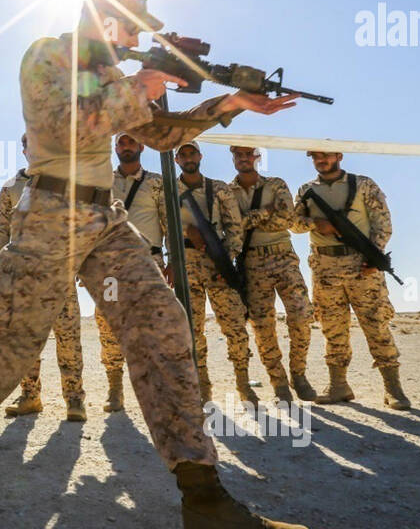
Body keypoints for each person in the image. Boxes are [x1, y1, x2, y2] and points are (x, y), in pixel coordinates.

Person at [0, 0, 319, 529]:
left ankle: (205, 504)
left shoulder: (117, 78)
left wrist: (228, 104)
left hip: (104, 220)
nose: (135, 38)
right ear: (103, 22)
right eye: (131, 27)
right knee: (9, 357)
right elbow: (61, 129)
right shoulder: (45, 55)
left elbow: (161, 134)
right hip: (49, 215)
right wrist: (141, 83)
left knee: (163, 326)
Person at [295, 150, 410, 409]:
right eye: (315, 157)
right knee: (332, 328)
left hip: (362, 266)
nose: (320, 160)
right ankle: (338, 386)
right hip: (324, 268)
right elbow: (293, 224)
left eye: (325, 155)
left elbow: (383, 223)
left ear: (339, 156)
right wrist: (316, 223)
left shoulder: (363, 184)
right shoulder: (305, 190)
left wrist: (375, 256)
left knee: (376, 325)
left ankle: (394, 389)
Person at [174, 141, 276, 405]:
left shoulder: (218, 189)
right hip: (186, 265)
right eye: (182, 154)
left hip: (218, 262)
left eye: (191, 153)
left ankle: (243, 383)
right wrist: (187, 234)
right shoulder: (168, 190)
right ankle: (202, 388)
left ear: (200, 156)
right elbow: (166, 226)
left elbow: (234, 229)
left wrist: (226, 261)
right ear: (176, 160)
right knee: (191, 330)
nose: (188, 158)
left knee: (235, 327)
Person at [0, 134, 86, 421]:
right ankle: (30, 396)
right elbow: (1, 228)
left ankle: (74, 400)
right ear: (23, 150)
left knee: (68, 337)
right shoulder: (11, 187)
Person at [228, 145, 315, 401]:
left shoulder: (276, 184)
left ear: (257, 157)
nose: (244, 159)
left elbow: (286, 219)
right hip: (252, 262)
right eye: (238, 155)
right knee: (263, 325)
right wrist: (265, 213)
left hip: (284, 258)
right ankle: (279, 383)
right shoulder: (227, 192)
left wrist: (250, 218)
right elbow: (232, 226)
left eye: (248, 154)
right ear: (233, 158)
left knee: (301, 315)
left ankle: (298, 374)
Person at [92, 131, 169, 413]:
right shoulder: (103, 182)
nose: (125, 146)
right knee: (109, 326)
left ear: (142, 145)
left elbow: (168, 222)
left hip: (149, 264)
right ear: (115, 148)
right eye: (121, 142)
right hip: (110, 265)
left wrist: (172, 261)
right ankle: (115, 389)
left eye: (131, 142)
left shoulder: (157, 184)